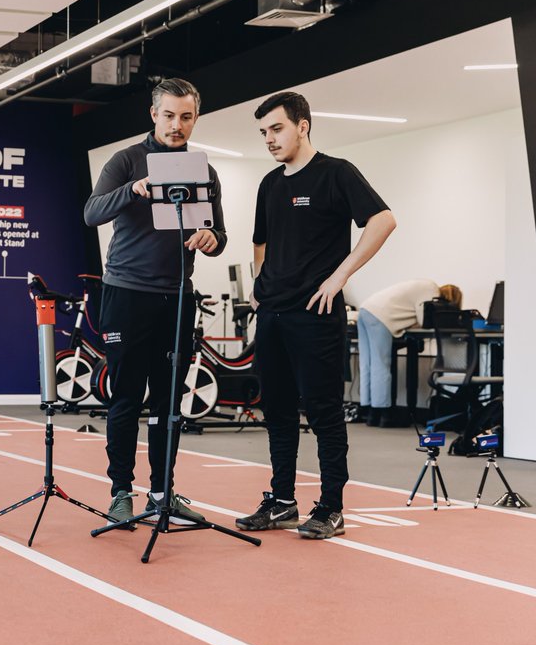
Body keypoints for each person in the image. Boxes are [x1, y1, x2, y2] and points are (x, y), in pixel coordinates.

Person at [236, 91, 396, 540]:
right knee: (278, 412)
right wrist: (259, 285)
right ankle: (282, 501)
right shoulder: (270, 184)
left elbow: (383, 220)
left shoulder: (336, 174)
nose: (269, 139)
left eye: (277, 129)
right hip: (273, 315)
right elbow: (260, 241)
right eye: (263, 132)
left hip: (316, 314)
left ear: (303, 125)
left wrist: (338, 278)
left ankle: (331, 508)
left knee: (324, 413)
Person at [84, 78, 227, 528]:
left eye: (186, 117)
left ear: (195, 118)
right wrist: (135, 189)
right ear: (153, 114)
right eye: (169, 115)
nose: (177, 125)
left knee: (169, 402)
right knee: (126, 397)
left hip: (177, 297)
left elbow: (219, 235)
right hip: (127, 294)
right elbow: (91, 213)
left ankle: (163, 492)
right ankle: (121, 492)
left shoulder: (204, 170)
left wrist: (211, 239)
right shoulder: (126, 160)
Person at [357, 280, 462, 426]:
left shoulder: (423, 286)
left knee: (367, 364)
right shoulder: (431, 290)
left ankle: (369, 413)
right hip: (379, 316)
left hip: (365, 309)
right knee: (381, 365)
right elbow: (424, 320)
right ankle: (383, 414)